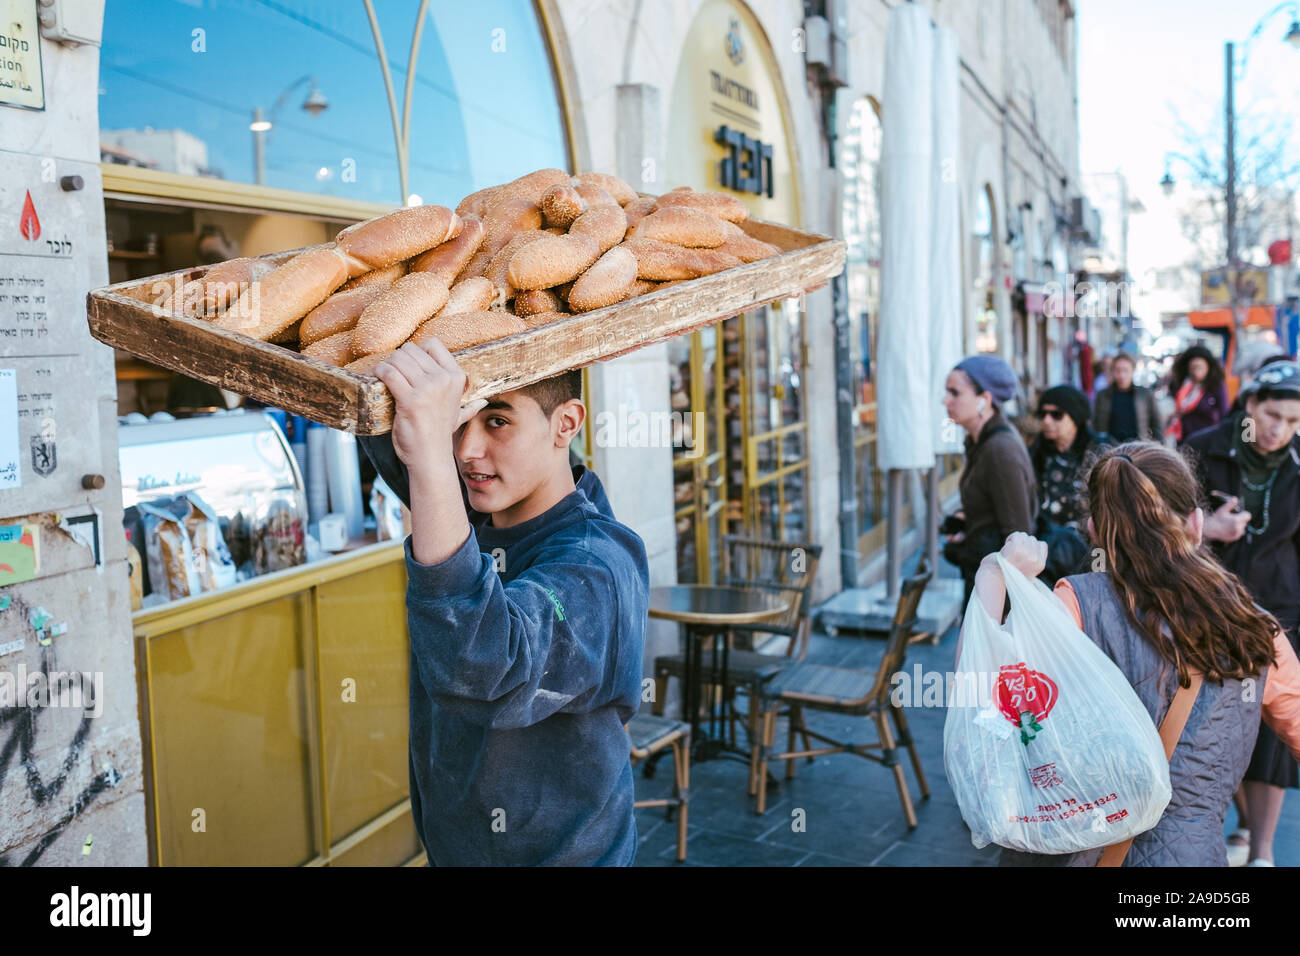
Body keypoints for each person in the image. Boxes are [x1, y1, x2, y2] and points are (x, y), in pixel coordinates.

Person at [355, 341, 648, 866]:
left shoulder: (598, 566)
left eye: (496, 421)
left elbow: (486, 669)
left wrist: (428, 456)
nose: (466, 449)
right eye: (457, 420)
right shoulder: (480, 517)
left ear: (566, 423)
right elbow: (384, 426)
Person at [971, 444, 1300, 866]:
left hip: (1076, 848)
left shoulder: (1076, 604)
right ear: (1197, 524)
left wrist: (995, 575)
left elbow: (983, 703)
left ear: (1094, 531)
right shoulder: (1256, 630)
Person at [1183, 359, 1300, 865]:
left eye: (1294, 421)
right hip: (1210, 603)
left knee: (1273, 731)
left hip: (1280, 606)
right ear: (1250, 404)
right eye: (1273, 414)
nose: (1281, 429)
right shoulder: (1205, 447)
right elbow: (1159, 518)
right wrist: (1207, 528)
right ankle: (1244, 827)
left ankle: (1263, 852)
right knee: (1217, 720)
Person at [941, 355, 1037, 607]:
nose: (945, 400)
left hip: (995, 595)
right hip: (983, 580)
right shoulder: (979, 441)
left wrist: (1002, 612)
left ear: (984, 399)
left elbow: (1018, 534)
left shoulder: (999, 449)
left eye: (955, 393)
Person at [1029, 384, 1110, 580]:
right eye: (1043, 414)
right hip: (1048, 551)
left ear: (1076, 418)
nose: (1047, 421)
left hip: (1094, 548)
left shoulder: (1101, 452)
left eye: (1056, 415)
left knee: (1095, 595)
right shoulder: (1037, 453)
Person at [1092, 352, 1163, 441]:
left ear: (1132, 371)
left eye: (1126, 370)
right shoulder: (1102, 395)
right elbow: (1095, 425)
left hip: (1139, 447)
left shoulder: (1145, 394)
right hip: (1111, 448)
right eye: (1118, 370)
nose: (1122, 375)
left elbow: (1157, 425)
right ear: (1113, 372)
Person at [1166, 344, 1228, 445]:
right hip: (1183, 439)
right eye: (1193, 367)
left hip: (1206, 441)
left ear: (1208, 367)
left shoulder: (1216, 386)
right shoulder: (1181, 385)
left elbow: (1224, 413)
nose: (1196, 372)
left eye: (1200, 367)